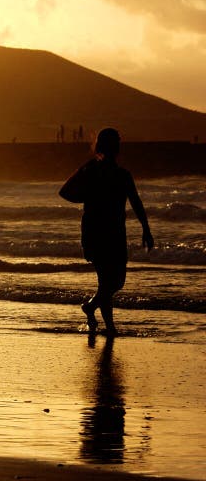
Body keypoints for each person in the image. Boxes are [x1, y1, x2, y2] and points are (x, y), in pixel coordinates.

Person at [59, 128, 153, 335]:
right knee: (106, 281)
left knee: (117, 281)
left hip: (116, 232)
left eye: (118, 143)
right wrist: (87, 197)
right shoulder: (91, 169)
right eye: (115, 143)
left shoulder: (123, 174)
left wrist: (146, 229)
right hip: (95, 230)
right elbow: (64, 192)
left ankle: (91, 307)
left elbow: (135, 202)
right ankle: (110, 327)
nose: (117, 147)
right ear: (106, 146)